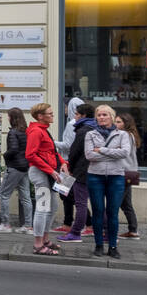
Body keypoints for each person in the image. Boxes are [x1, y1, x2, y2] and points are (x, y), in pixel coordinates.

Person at [83, 105, 132, 259]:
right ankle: (98, 245)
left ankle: (112, 246)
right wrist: (112, 153)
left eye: (105, 114)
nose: (101, 117)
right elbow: (89, 155)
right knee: (98, 211)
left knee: (113, 213)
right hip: (95, 176)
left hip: (115, 176)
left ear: (111, 116)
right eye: (99, 115)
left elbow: (124, 153)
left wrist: (102, 150)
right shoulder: (90, 134)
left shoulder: (122, 134)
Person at [26, 102, 65, 255]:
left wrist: (63, 163)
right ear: (40, 116)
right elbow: (30, 155)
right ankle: (38, 245)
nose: (52, 115)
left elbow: (52, 152)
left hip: (48, 173)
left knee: (53, 207)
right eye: (50, 113)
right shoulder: (36, 131)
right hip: (40, 174)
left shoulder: (43, 130)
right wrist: (51, 170)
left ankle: (45, 239)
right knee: (42, 209)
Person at [0, 107, 33, 233]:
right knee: (25, 196)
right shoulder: (25, 131)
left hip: (14, 167)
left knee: (4, 194)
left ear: (12, 118)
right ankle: (28, 226)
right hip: (25, 167)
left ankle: (5, 225)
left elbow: (14, 149)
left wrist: (5, 155)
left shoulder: (13, 132)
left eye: (9, 116)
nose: (7, 118)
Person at [59, 103, 96, 242]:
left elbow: (74, 151)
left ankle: (75, 233)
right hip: (94, 171)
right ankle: (103, 232)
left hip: (81, 171)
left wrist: (71, 169)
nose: (74, 117)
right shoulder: (97, 128)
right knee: (97, 204)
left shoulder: (82, 130)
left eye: (77, 114)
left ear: (83, 116)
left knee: (80, 203)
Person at [58, 96, 84, 228]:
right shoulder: (81, 123)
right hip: (75, 163)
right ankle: (67, 222)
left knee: (67, 194)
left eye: (66, 106)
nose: (65, 109)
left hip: (67, 162)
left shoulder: (71, 124)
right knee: (69, 194)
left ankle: (72, 223)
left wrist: (52, 143)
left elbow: (68, 145)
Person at [115, 112, 140, 239]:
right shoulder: (131, 135)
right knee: (126, 204)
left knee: (115, 202)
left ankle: (107, 230)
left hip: (123, 172)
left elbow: (122, 153)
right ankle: (133, 230)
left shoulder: (124, 135)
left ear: (126, 123)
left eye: (119, 122)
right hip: (129, 172)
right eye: (116, 121)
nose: (116, 124)